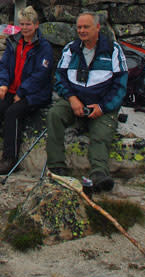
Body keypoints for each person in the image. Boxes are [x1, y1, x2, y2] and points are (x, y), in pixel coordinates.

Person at [45, 11, 128, 192]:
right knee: (54, 115)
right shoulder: (71, 49)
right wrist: (72, 99)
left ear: (97, 28)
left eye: (86, 27)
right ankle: (56, 167)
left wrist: (102, 107)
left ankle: (99, 174)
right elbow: (59, 78)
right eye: (79, 27)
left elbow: (120, 85)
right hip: (75, 102)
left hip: (102, 105)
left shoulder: (113, 50)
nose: (82, 31)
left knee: (100, 134)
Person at [0, 6, 53, 175]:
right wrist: (4, 83)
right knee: (0, 106)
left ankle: (9, 158)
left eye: (29, 24)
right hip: (12, 89)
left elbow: (40, 75)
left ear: (36, 25)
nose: (25, 27)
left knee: (13, 112)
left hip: (35, 94)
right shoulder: (14, 42)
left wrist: (22, 92)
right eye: (22, 24)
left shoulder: (44, 47)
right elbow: (4, 64)